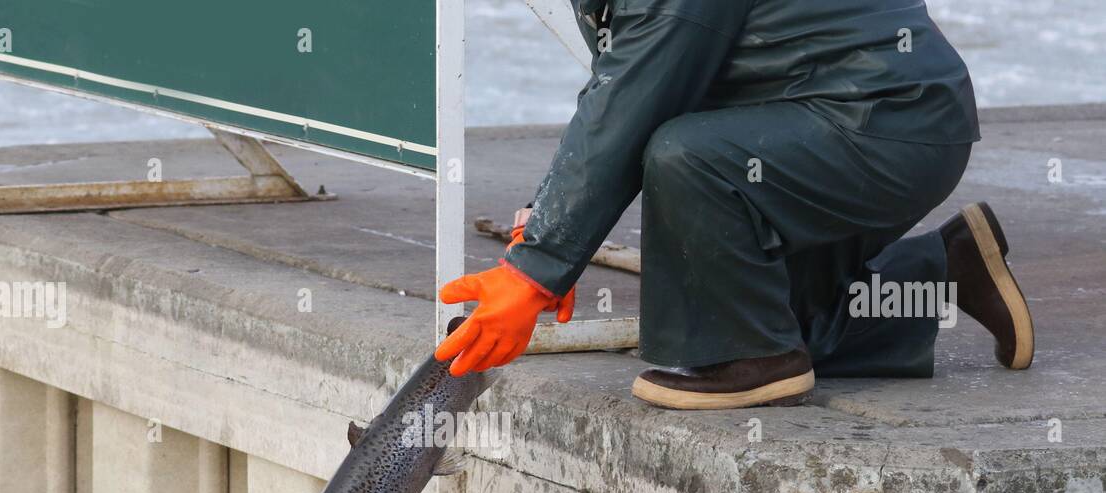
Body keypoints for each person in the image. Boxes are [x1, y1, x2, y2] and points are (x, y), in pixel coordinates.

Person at [435, 0, 1034, 410]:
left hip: (879, 126)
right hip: (857, 119)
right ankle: (947, 269)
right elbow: (622, 82)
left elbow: (633, 103)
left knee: (686, 157)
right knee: (749, 308)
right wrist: (541, 233)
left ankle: (758, 360)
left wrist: (535, 272)